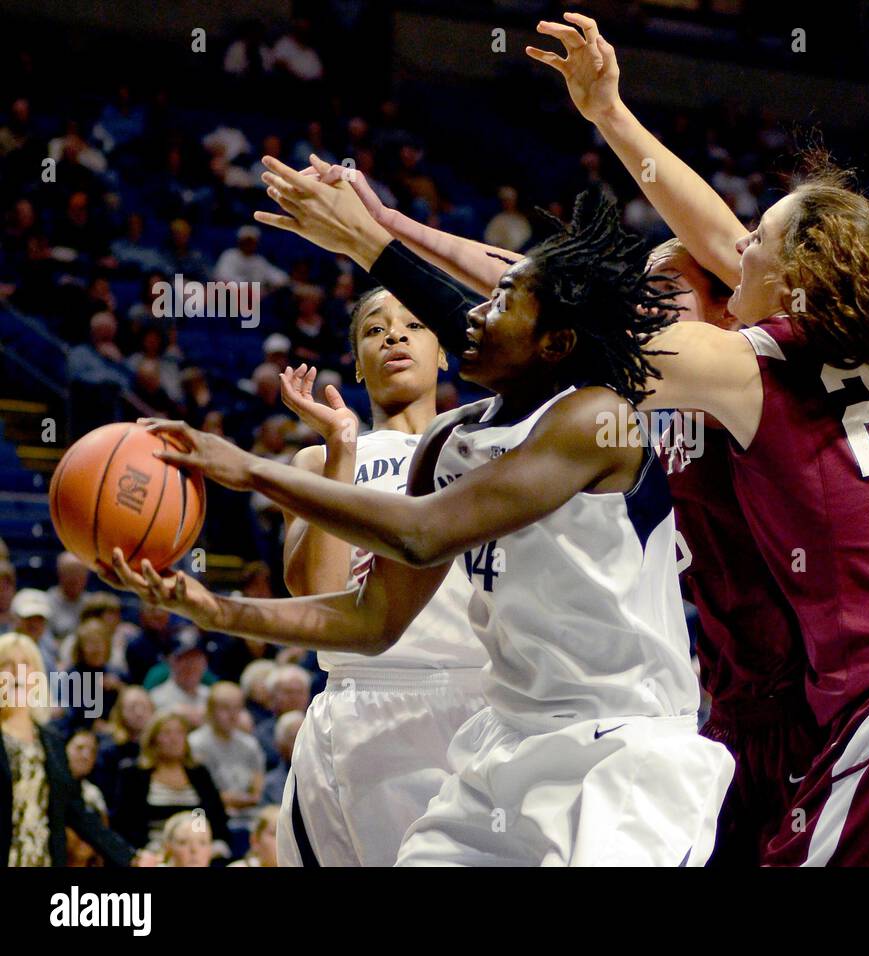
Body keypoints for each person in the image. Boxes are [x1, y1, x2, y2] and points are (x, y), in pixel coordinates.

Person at [525, 12, 869, 866]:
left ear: (793, 275)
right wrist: (610, 113)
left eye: (757, 242)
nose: (734, 248)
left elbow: (547, 315)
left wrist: (395, 249)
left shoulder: (751, 366)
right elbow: (717, 235)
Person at [101, 185, 734, 866]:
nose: (472, 315)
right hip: (506, 748)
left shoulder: (595, 421)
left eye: (498, 302)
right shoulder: (451, 439)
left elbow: (420, 532)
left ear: (554, 342)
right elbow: (371, 620)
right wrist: (215, 608)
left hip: (623, 751)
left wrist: (251, 471)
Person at [303, 151, 819, 866]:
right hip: (722, 701)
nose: (643, 307)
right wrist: (384, 227)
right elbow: (514, 307)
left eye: (664, 294)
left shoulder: (747, 384)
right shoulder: (626, 400)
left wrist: (378, 242)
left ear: (725, 311)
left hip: (807, 697)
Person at [273, 286, 488, 866]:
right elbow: (321, 599)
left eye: (414, 325)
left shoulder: (485, 445)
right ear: (359, 366)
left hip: (479, 701)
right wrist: (341, 448)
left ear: (444, 351)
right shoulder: (319, 462)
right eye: (374, 329)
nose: (394, 335)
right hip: (360, 704)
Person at [0, 633, 151, 866]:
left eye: (24, 665)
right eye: (6, 665)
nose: (16, 674)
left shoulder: (51, 741)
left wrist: (130, 857)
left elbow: (78, 813)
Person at [112, 709, 230, 853]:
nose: (174, 739)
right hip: (151, 853)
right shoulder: (133, 774)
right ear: (153, 739)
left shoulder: (199, 773)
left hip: (199, 853)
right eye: (167, 733)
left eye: (179, 733)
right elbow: (124, 825)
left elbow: (217, 818)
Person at [187, 682, 264, 854]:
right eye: (225, 708)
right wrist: (233, 799)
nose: (232, 715)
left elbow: (256, 794)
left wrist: (233, 799)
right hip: (207, 816)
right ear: (210, 710)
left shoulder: (250, 744)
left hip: (248, 817)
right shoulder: (195, 744)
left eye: (237, 708)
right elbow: (204, 796)